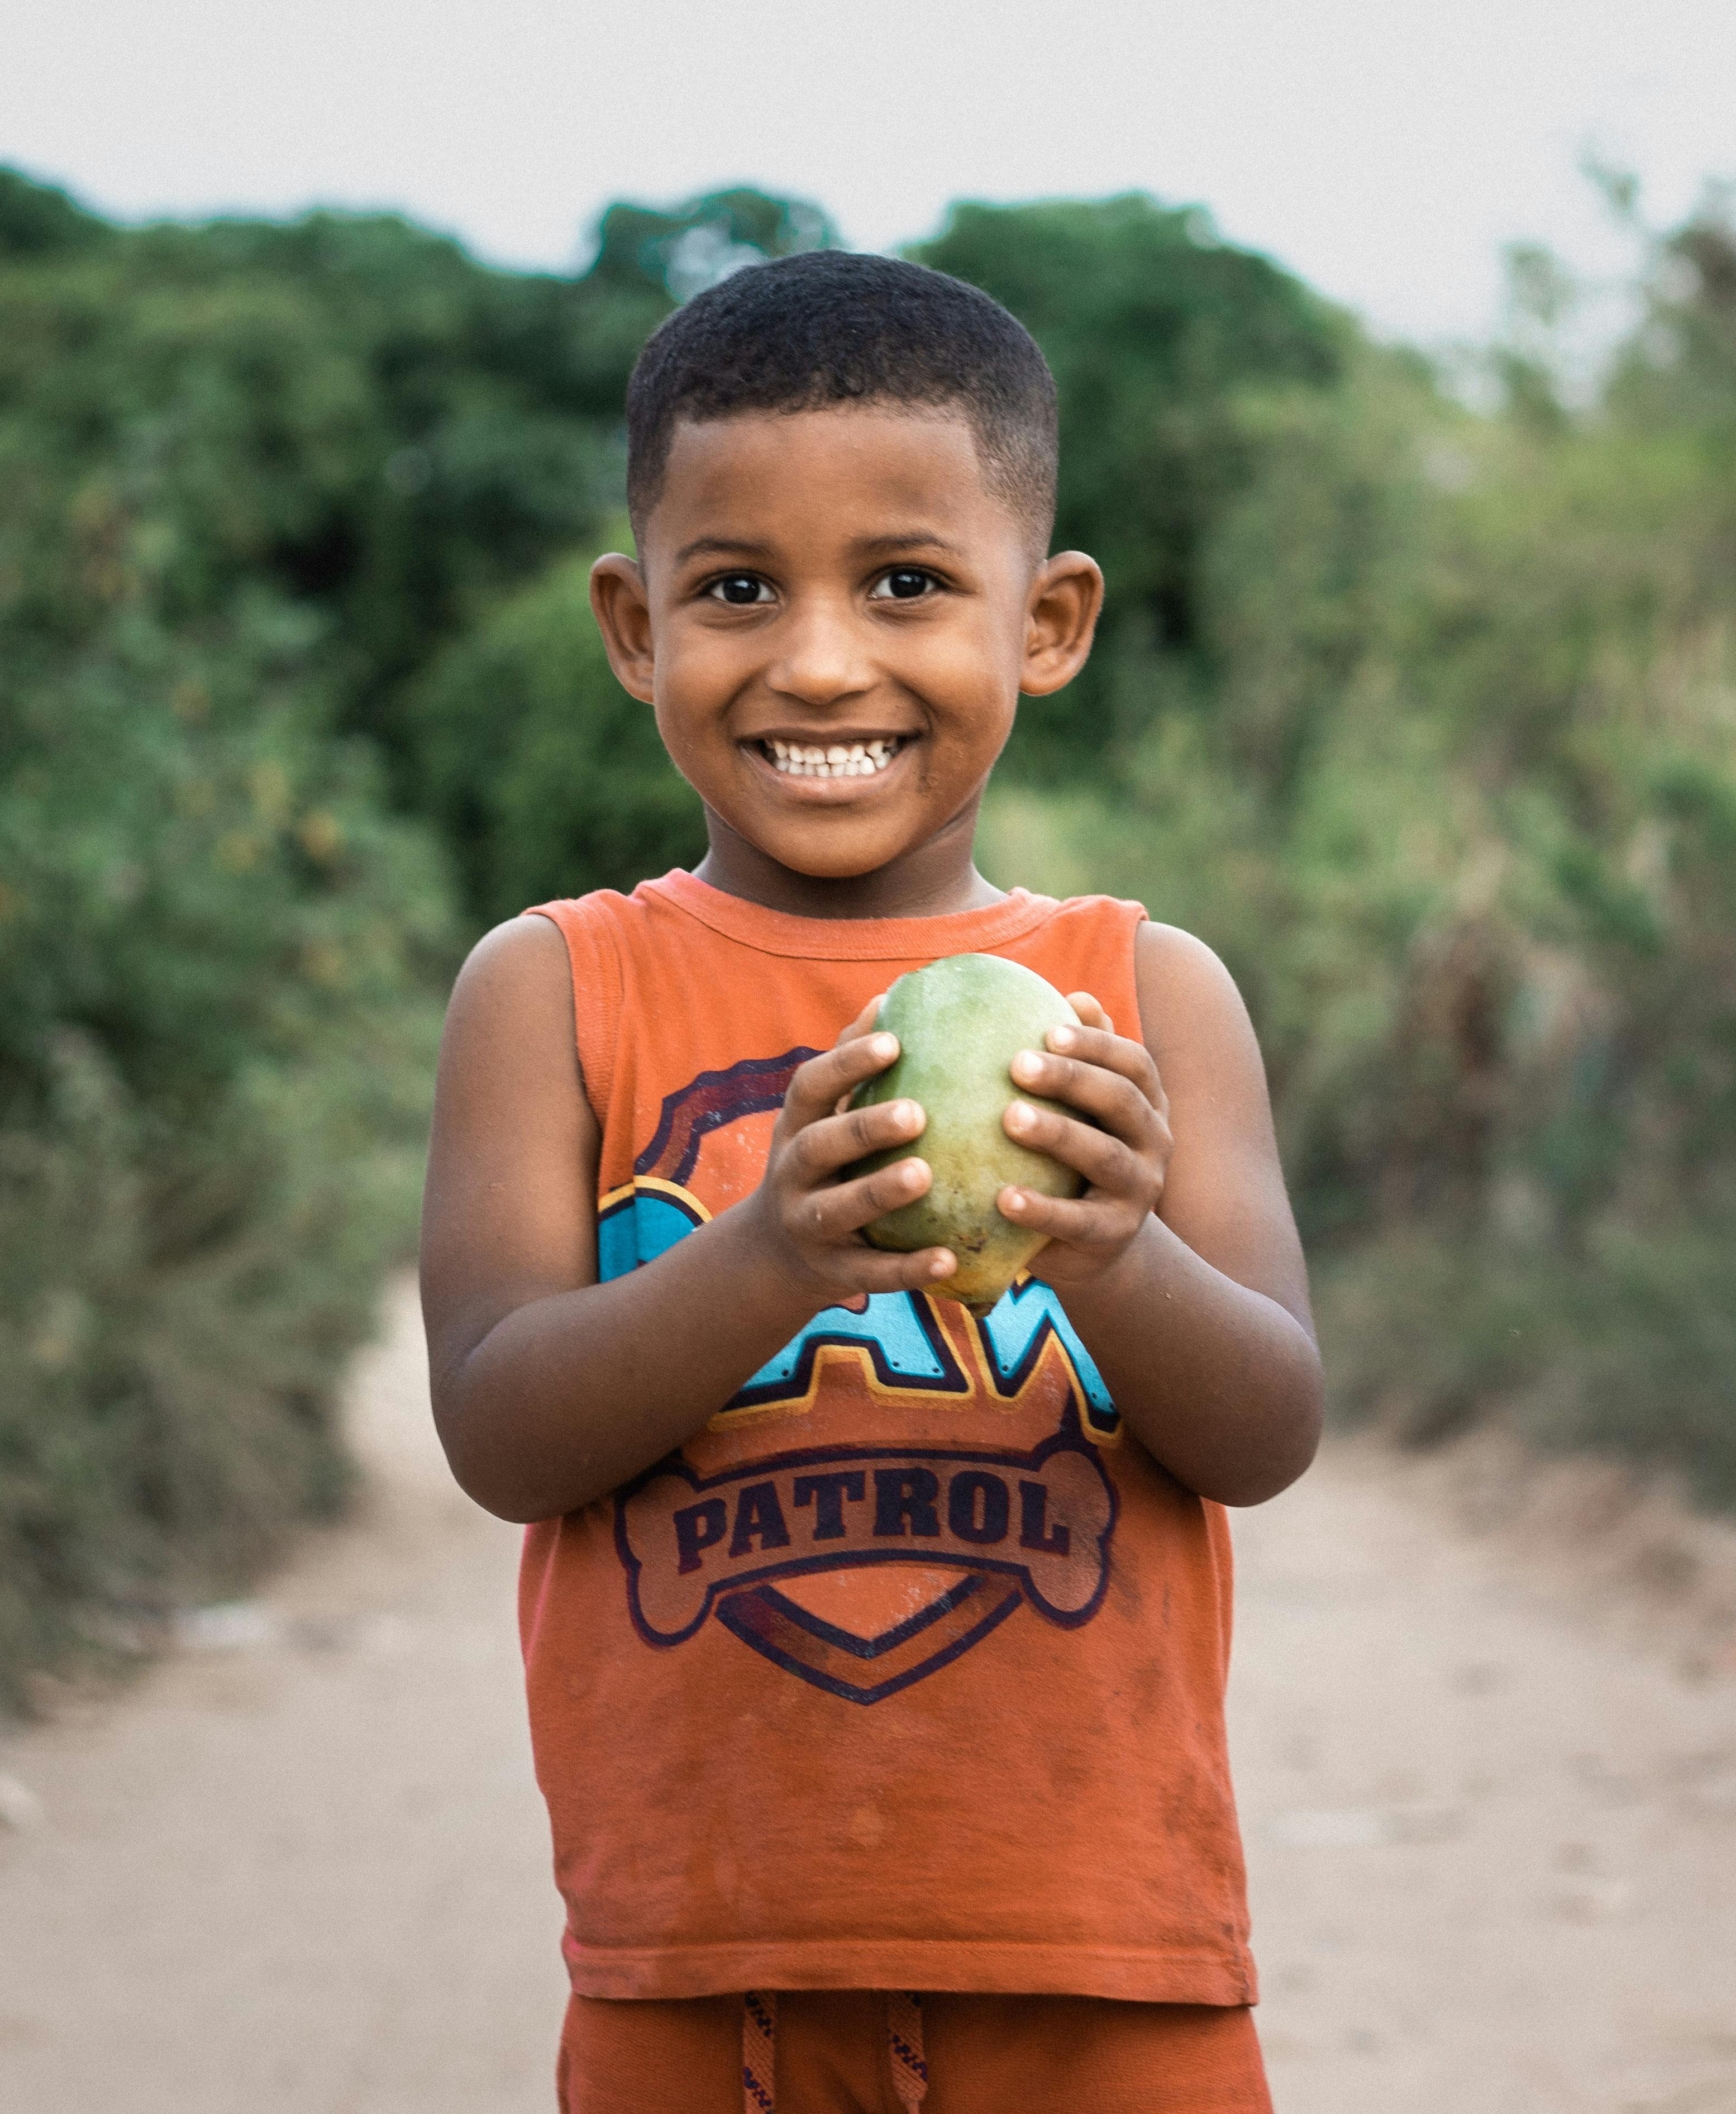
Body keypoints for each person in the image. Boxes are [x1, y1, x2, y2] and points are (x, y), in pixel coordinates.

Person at [419, 249, 1322, 2114]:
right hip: (697, 1966)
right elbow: (503, 1432)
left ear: (1047, 620)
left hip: (1101, 1962)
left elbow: (1267, 1426)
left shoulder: (1140, 994)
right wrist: (766, 1254)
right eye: (735, 589)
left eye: (905, 584)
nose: (819, 660)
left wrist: (1115, 1254)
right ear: (633, 625)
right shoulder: (552, 988)